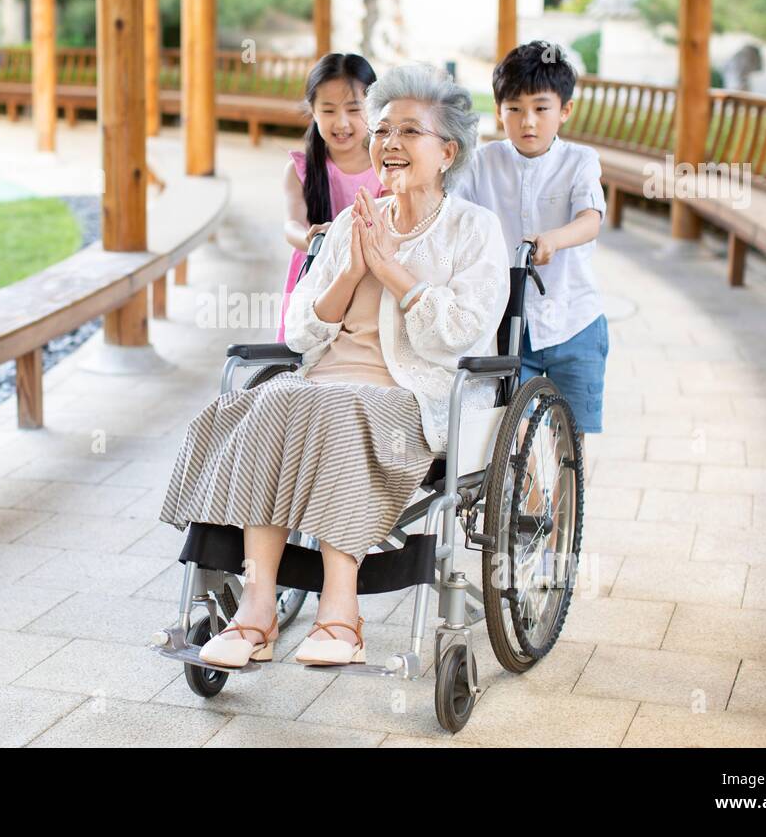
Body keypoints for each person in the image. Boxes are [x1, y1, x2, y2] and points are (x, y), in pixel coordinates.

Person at [157, 64, 509, 668]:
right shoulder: (353, 222)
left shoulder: (474, 231)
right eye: (383, 129)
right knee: (268, 401)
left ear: (447, 151)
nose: (389, 142)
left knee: (335, 408)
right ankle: (256, 608)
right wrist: (352, 267)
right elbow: (300, 330)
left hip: (414, 395)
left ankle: (341, 614)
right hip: (326, 383)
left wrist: (393, 271)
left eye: (409, 131)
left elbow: (462, 334)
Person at [455, 40, 608, 435]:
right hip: (509, 325)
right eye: (515, 110)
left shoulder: (580, 161)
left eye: (541, 109)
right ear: (498, 110)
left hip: (575, 321)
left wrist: (554, 239)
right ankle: (523, 498)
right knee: (512, 438)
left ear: (565, 110)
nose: (528, 122)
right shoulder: (482, 162)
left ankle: (567, 499)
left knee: (568, 441)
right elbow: (449, 208)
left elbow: (590, 218)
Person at [277, 53, 385, 343]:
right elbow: (292, 225)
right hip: (313, 274)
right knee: (306, 354)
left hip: (369, 284)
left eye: (354, 110)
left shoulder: (386, 168)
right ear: (311, 110)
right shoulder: (300, 169)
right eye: (328, 110)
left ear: (373, 109)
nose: (342, 123)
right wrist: (312, 239)